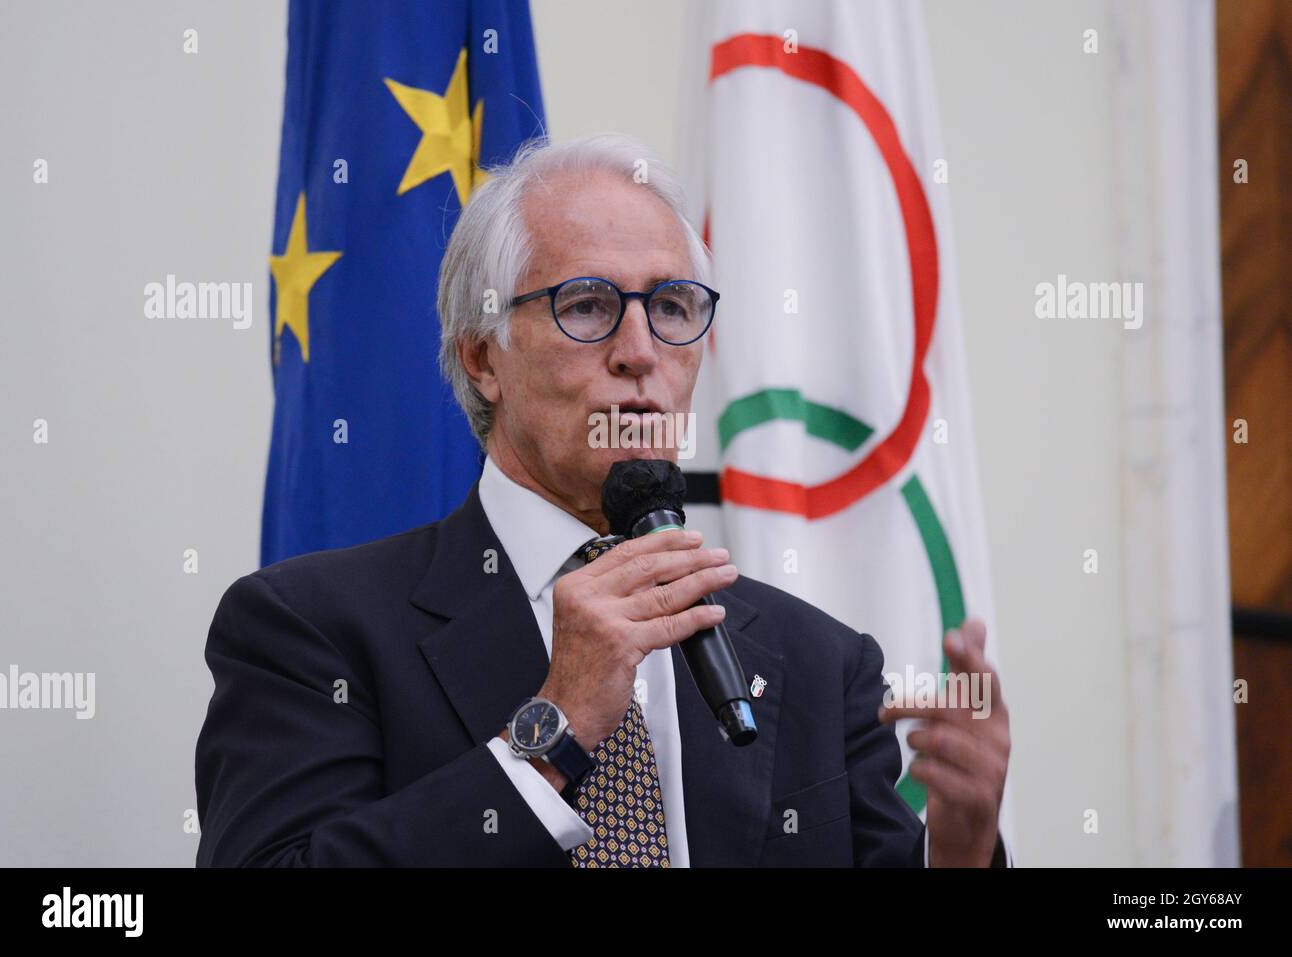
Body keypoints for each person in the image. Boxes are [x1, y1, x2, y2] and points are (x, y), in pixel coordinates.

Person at [194, 134, 1011, 867]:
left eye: (671, 308)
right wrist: (553, 729)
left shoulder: (821, 664)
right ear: (483, 356)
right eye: (587, 305)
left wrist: (965, 850)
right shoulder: (311, 628)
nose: (639, 352)